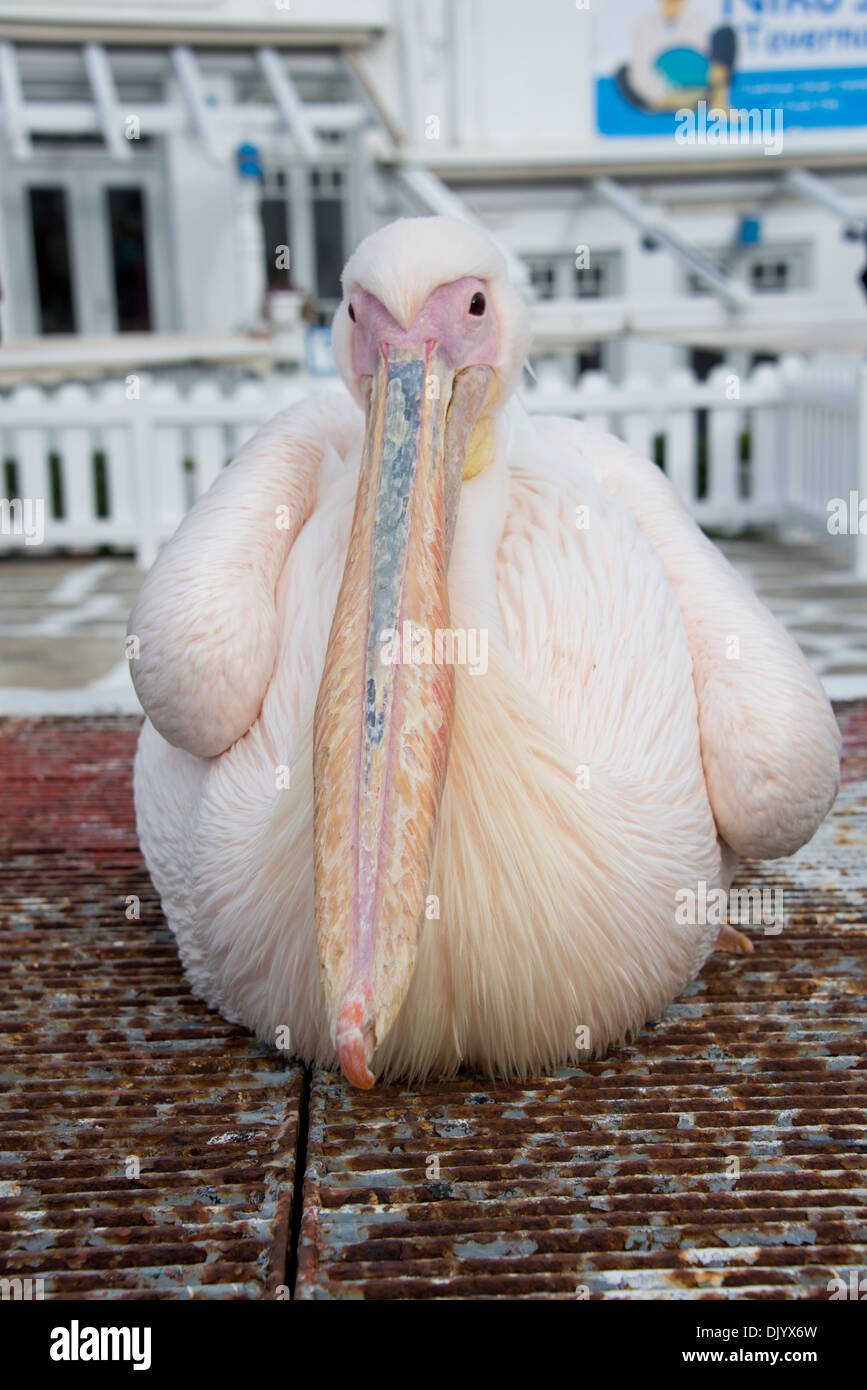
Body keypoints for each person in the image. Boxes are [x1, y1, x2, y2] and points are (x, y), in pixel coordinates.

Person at [615, 0, 737, 114]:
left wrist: (707, 80)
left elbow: (703, 63)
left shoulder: (697, 20)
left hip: (695, 92)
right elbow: (641, 71)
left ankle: (719, 103)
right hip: (659, 97)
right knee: (624, 72)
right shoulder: (644, 26)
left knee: (724, 35)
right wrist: (664, 98)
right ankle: (657, 109)